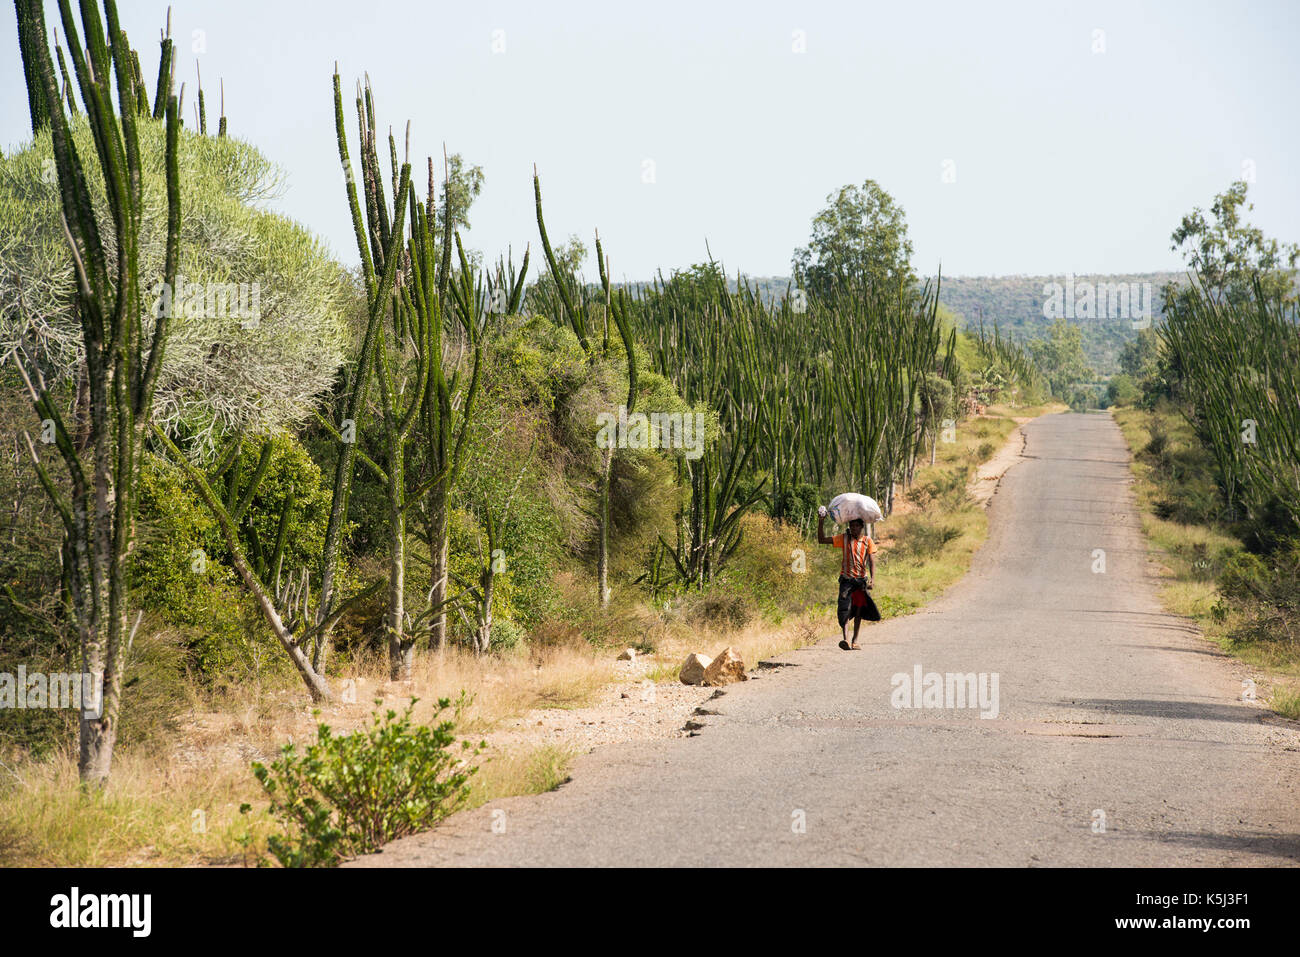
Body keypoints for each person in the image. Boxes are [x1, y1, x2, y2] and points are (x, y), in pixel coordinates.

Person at [817, 506, 881, 649]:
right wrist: (821, 521)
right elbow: (821, 540)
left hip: (860, 581)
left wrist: (872, 579)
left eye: (856, 526)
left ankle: (855, 640)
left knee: (858, 610)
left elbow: (871, 560)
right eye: (851, 526)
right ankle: (845, 640)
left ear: (861, 527)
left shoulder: (867, 541)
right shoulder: (843, 538)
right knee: (844, 609)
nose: (854, 529)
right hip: (846, 580)